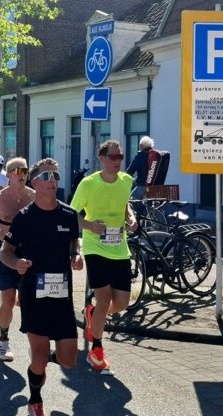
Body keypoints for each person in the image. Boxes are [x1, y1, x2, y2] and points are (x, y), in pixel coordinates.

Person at [0, 158, 82, 416]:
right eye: (46, 177)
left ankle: (44, 357)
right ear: (35, 182)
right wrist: (17, 263)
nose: (53, 181)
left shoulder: (68, 215)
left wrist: (76, 255)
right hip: (33, 293)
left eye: (56, 176)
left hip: (62, 295)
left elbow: (73, 243)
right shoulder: (24, 218)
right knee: (38, 357)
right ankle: (35, 398)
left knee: (69, 360)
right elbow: (5, 252)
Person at [70, 139, 138, 371]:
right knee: (104, 298)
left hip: (120, 247)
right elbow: (71, 214)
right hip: (95, 247)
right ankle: (96, 349)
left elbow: (125, 205)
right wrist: (89, 226)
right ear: (102, 158)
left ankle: (93, 314)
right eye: (113, 157)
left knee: (121, 304)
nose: (118, 161)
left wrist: (131, 218)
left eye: (120, 157)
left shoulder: (126, 181)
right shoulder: (88, 184)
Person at [0, 157, 35, 362]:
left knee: (31, 301)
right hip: (4, 251)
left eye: (25, 171)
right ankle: (3, 341)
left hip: (28, 254)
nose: (22, 175)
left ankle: (36, 345)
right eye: (17, 171)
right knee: (9, 301)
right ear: (9, 175)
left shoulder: (35, 197)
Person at [126, 136, 154, 200]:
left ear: (141, 145)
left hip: (142, 186)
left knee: (129, 202)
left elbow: (129, 172)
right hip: (154, 188)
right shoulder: (155, 156)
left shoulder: (140, 156)